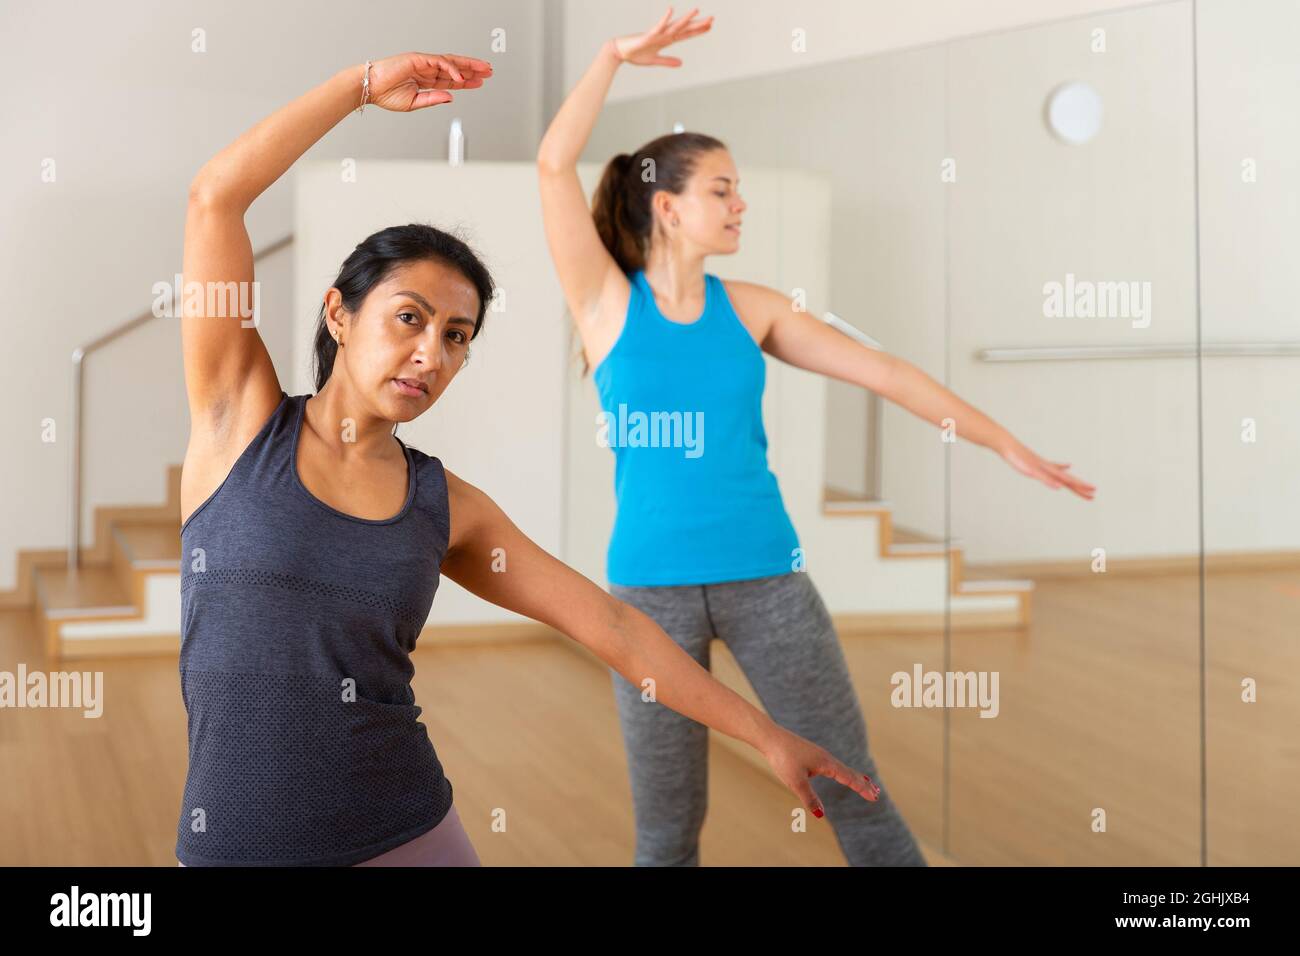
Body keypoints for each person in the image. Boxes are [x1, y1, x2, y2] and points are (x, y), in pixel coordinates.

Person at [176, 50, 881, 868]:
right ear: (338, 312)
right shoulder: (239, 419)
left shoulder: (444, 507)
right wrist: (361, 88)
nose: (428, 354)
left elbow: (614, 627)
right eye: (408, 317)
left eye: (455, 336)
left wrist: (763, 732)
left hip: (411, 834)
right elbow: (214, 199)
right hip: (235, 843)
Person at [536, 7, 1097, 866]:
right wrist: (612, 55)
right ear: (668, 207)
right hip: (647, 598)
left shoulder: (751, 308)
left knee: (852, 785)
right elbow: (551, 166)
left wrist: (999, 441)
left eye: (738, 189)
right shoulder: (607, 307)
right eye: (721, 189)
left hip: (769, 582)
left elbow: (888, 373)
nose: (739, 203)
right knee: (667, 826)